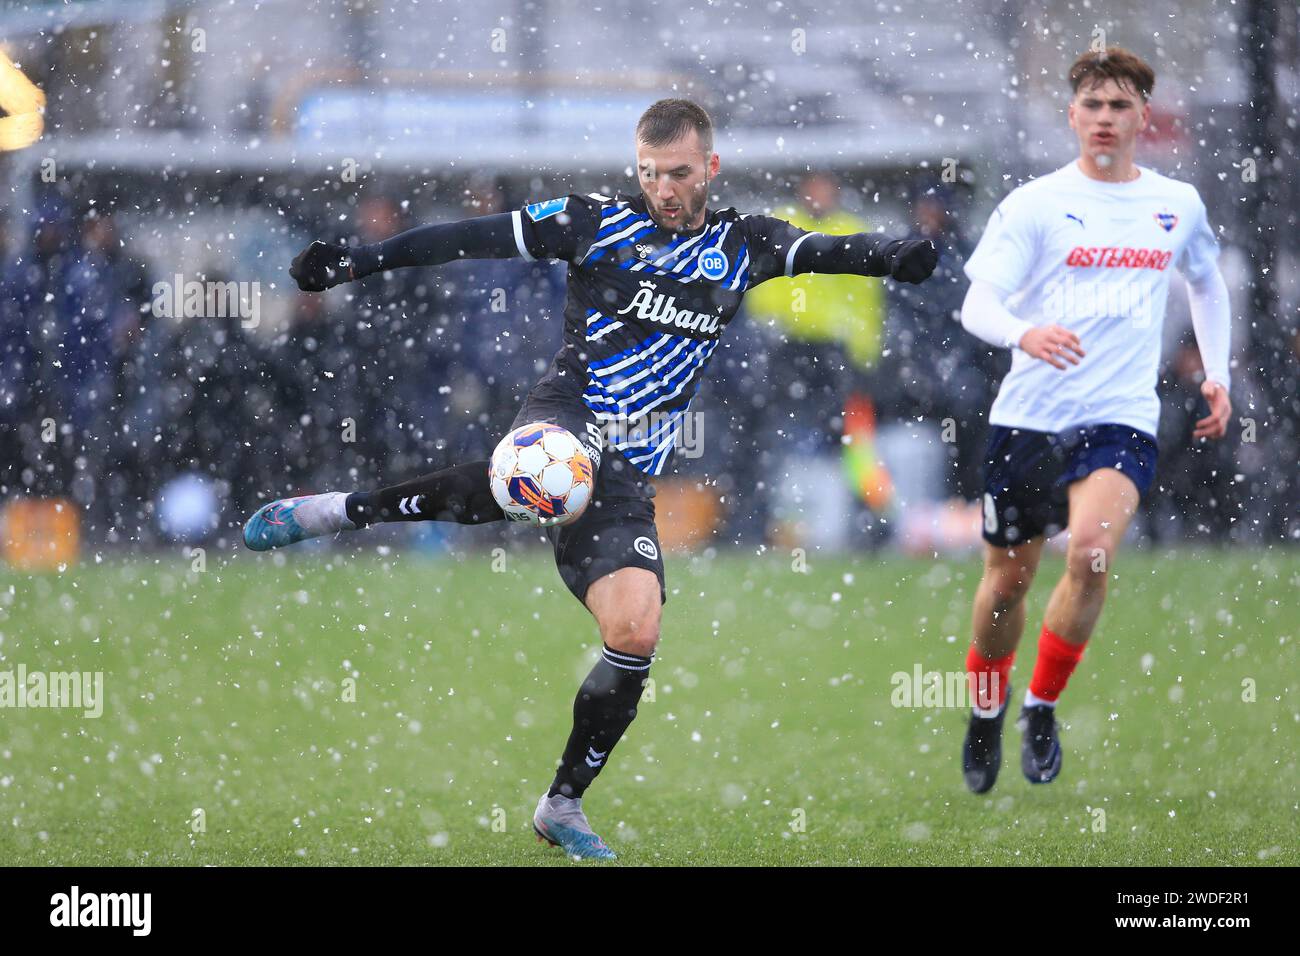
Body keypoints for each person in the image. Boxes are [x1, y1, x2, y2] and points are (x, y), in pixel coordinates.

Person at [242, 98, 937, 858]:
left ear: (710, 167)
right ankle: (342, 511)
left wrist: (894, 254)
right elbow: (469, 239)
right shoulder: (593, 221)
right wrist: (356, 260)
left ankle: (562, 805)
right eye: (648, 173)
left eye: (677, 174)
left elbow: (825, 250)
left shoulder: (746, 245)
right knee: (545, 476)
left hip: (632, 473)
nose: (662, 190)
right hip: (567, 416)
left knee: (636, 632)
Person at [956, 48, 1232, 794]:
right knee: (1007, 583)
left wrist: (1218, 372)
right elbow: (977, 304)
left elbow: (1207, 283)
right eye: (1093, 106)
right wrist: (1025, 333)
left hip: (1120, 416)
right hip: (1029, 419)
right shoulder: (1035, 204)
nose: (1105, 119)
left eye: (1120, 106)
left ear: (1144, 114)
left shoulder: (1177, 204)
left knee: (1089, 556)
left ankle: (1040, 707)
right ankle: (986, 706)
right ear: (1072, 115)